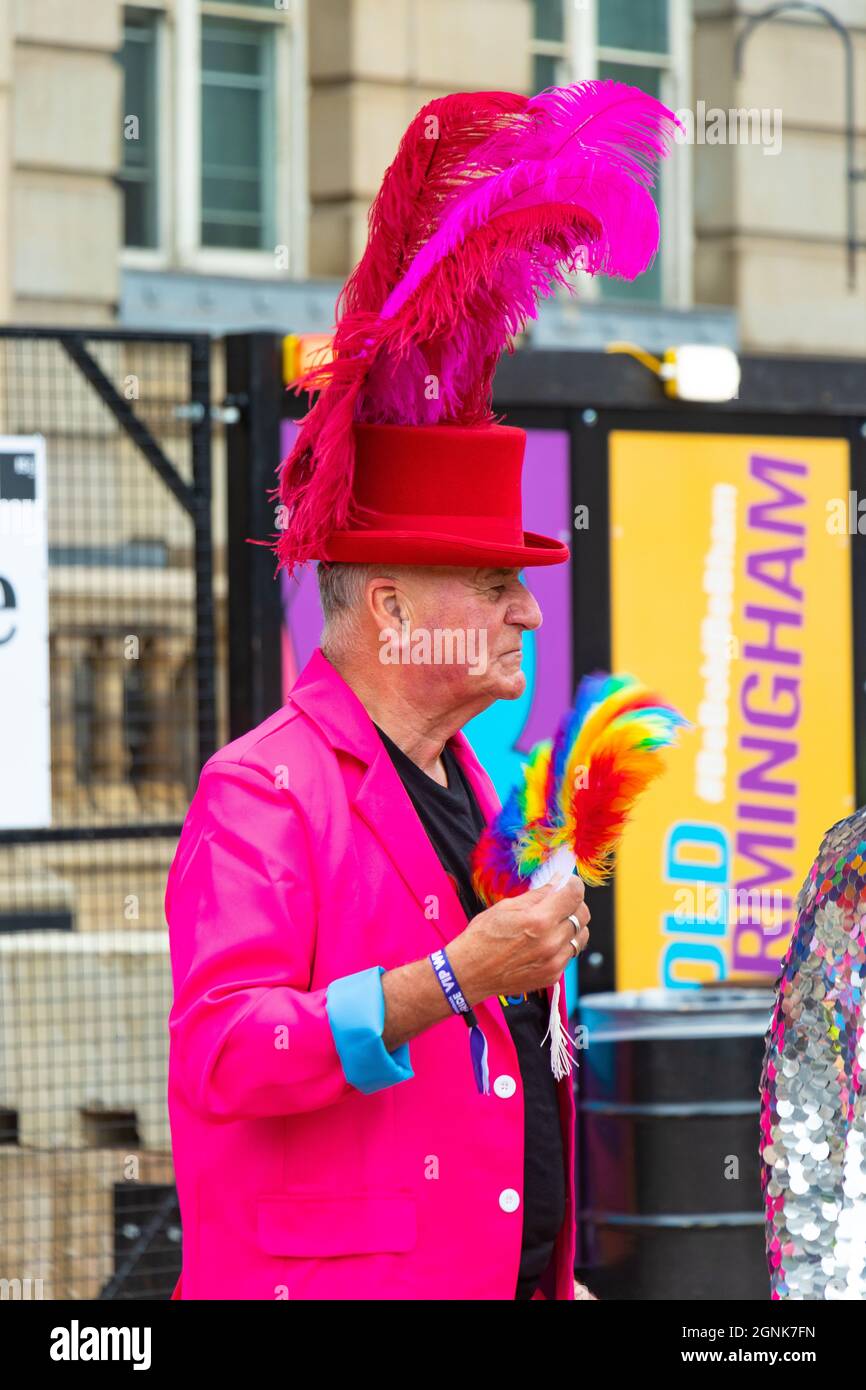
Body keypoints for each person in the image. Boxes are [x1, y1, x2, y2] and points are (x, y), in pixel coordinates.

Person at [165, 76, 677, 1299]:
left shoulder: (468, 786)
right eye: (494, 583)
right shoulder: (262, 793)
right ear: (390, 609)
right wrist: (452, 975)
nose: (528, 611)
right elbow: (224, 1056)